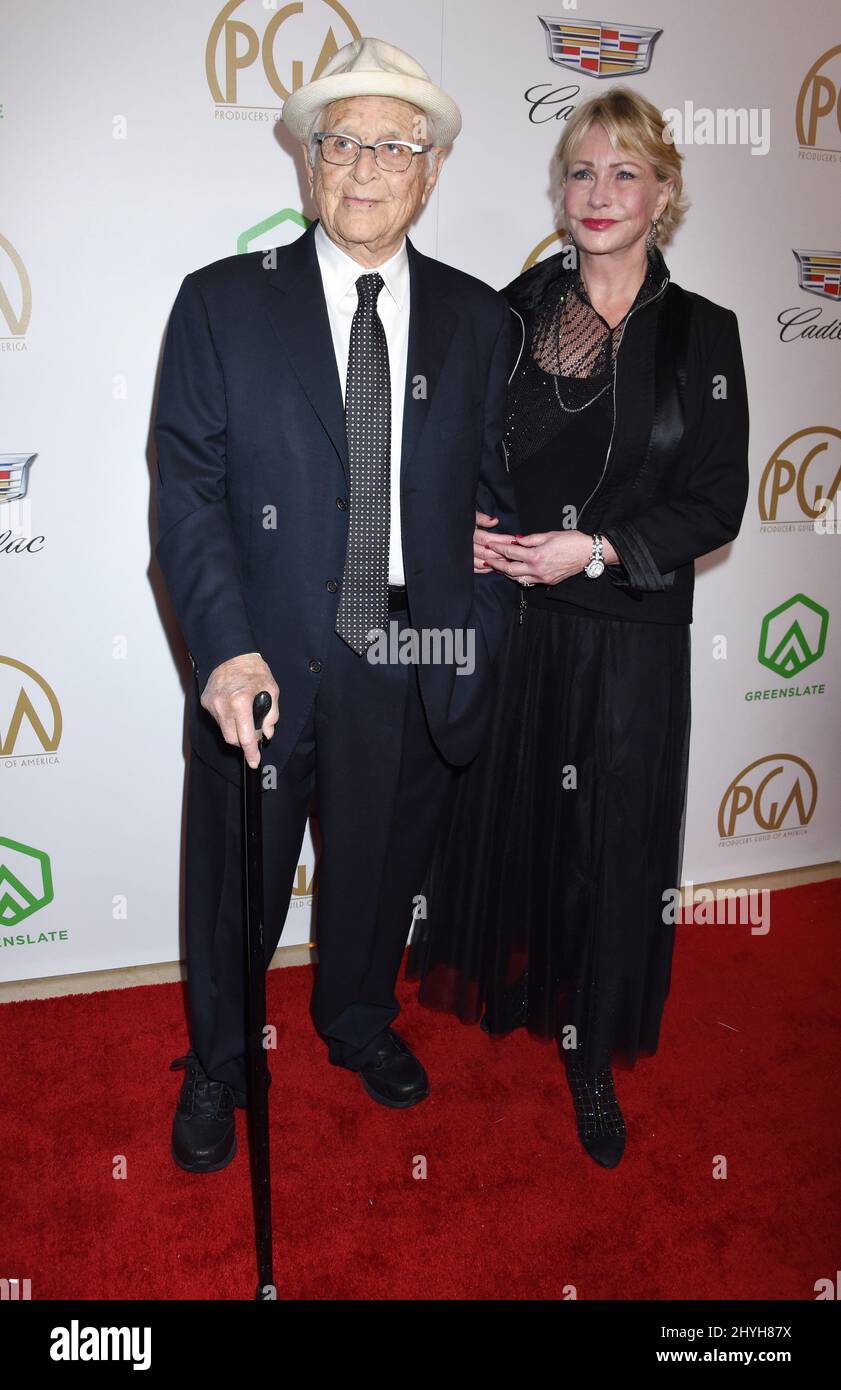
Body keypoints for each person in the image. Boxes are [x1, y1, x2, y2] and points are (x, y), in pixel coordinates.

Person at [154, 37, 518, 1172]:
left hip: (409, 647)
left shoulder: (479, 321)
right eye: (343, 142)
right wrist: (219, 650)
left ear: (434, 170)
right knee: (235, 881)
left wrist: (479, 621)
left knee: (377, 865)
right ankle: (220, 1060)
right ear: (310, 162)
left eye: (393, 145)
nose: (365, 167)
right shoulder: (222, 303)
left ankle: (357, 1017)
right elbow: (189, 491)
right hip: (262, 652)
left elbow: (493, 501)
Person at [406, 86, 750, 1168]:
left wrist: (593, 548)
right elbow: (453, 449)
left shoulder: (707, 334)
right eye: (581, 172)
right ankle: (520, 989)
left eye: (624, 173)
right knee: (514, 824)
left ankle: (590, 1050)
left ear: (664, 192)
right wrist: (457, 524)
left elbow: (714, 502)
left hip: (626, 631)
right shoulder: (507, 312)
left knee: (610, 842)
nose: (599, 194)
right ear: (559, 190)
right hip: (517, 620)